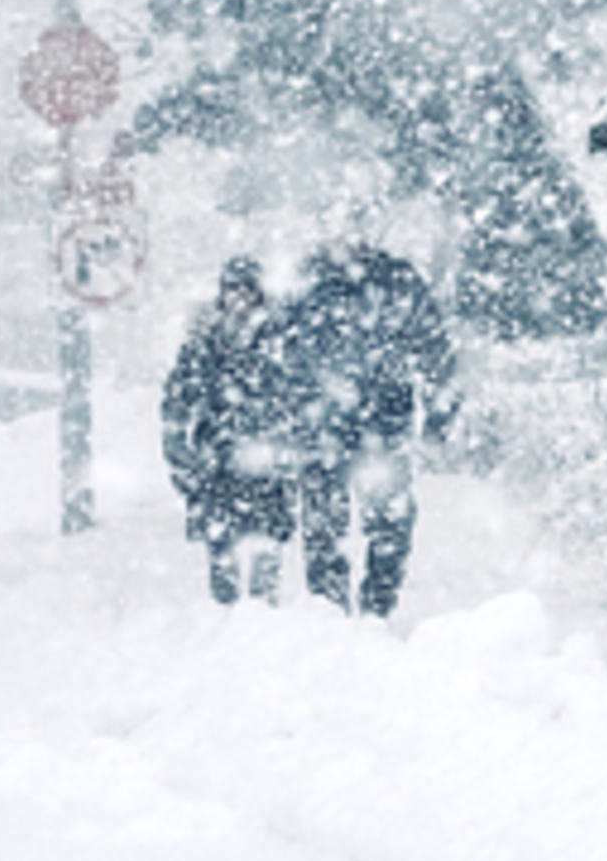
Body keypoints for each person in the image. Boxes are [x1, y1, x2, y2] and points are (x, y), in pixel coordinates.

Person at [282, 238, 455, 616]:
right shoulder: (311, 285)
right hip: (324, 430)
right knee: (324, 528)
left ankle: (377, 608)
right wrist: (294, 411)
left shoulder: (399, 284)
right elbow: (285, 355)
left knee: (390, 523)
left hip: (383, 426)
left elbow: (436, 354)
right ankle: (329, 611)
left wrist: (437, 421)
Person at [162, 257, 301, 605]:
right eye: (232, 289)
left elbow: (298, 394)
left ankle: (262, 607)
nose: (240, 297)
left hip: (267, 456)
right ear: (222, 294)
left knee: (268, 540)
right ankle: (226, 609)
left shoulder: (281, 340)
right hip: (218, 458)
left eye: (247, 289)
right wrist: (181, 453)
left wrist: (293, 444)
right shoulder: (203, 343)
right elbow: (178, 400)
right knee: (221, 542)